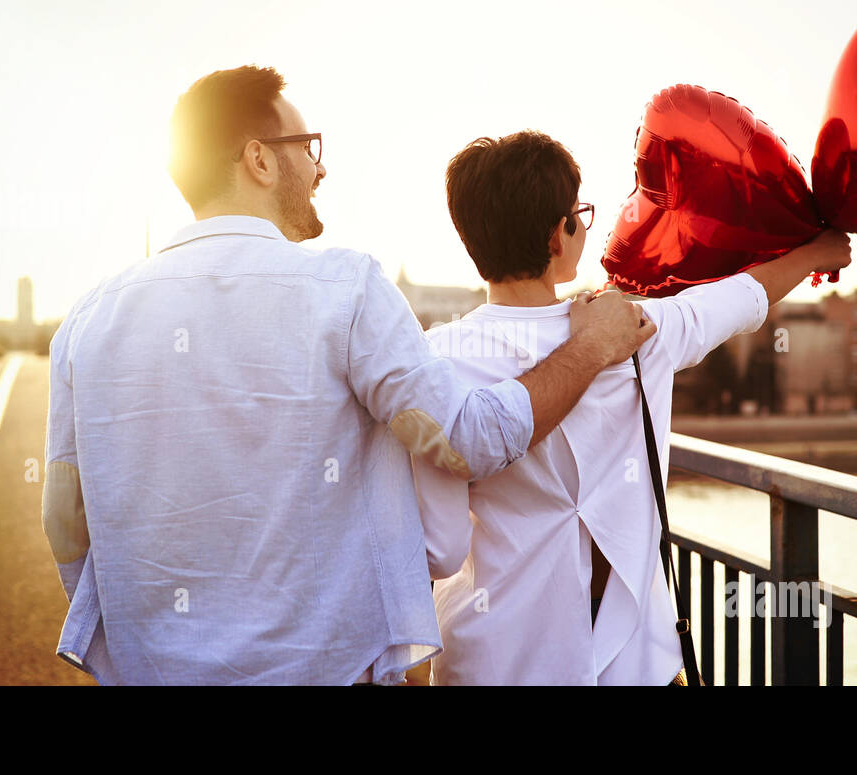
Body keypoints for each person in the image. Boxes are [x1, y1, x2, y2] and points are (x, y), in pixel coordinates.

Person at [40, 67, 653, 685]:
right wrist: (591, 346)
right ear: (258, 159)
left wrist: (135, 645)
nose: (321, 169)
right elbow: (465, 440)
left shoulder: (88, 320)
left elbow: (65, 520)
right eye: (308, 148)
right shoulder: (344, 290)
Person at [414, 130, 851, 685]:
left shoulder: (435, 358)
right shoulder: (641, 328)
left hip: (494, 657)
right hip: (634, 660)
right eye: (579, 214)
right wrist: (818, 252)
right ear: (557, 236)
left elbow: (439, 547)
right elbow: (743, 296)